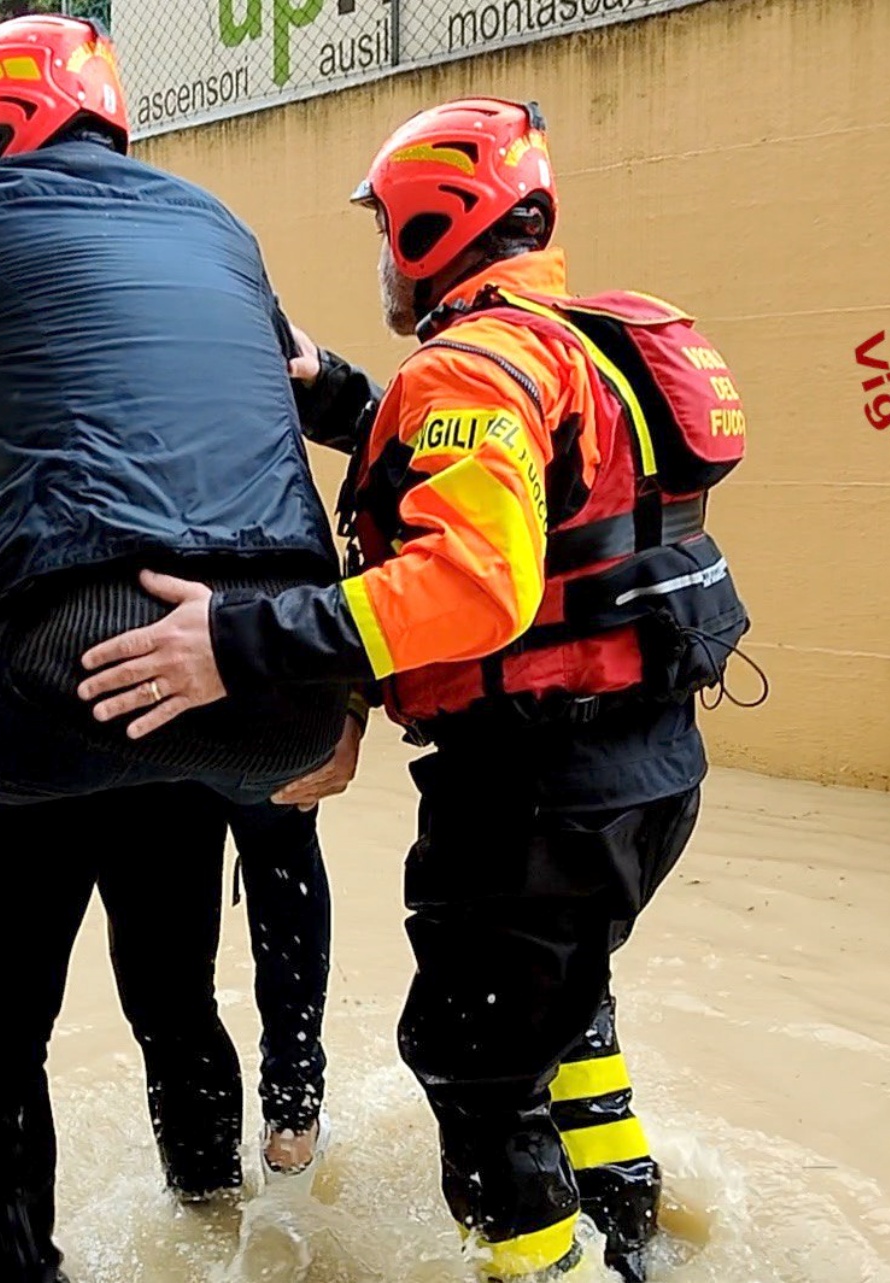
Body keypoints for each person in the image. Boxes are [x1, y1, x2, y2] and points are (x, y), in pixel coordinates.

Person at [77, 98, 754, 1282]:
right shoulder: (573, 342)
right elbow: (515, 479)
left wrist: (235, 642)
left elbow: (472, 583)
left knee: (476, 1070)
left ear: (431, 229)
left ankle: (544, 1266)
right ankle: (635, 1234)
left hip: (534, 789)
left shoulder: (467, 372)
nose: (382, 258)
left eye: (385, 231)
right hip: (646, 770)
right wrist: (329, 388)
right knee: (565, 1012)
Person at [0, 364, 356, 1281]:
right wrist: (338, 697)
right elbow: (290, 514)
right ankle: (237, 1196)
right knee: (177, 1002)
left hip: (11, 750)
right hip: (179, 719)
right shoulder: (179, 356)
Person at [0, 14, 348, 810]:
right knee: (268, 810)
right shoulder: (223, 225)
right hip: (297, 678)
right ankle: (290, 897)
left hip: (77, 664)